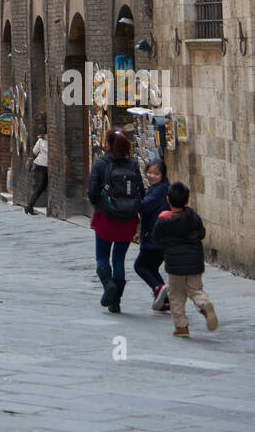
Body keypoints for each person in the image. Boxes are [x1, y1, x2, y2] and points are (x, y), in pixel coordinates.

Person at [87, 128, 144, 314]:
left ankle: (108, 286)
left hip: (106, 217)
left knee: (102, 256)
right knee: (119, 259)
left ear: (109, 144)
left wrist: (100, 205)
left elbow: (92, 192)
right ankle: (116, 302)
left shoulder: (100, 164)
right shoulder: (133, 164)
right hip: (128, 219)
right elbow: (140, 192)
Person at [153, 182, 218, 337]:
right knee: (195, 289)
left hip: (175, 264)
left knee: (176, 295)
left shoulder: (163, 220)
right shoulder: (193, 216)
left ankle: (182, 326)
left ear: (168, 199)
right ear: (187, 201)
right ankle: (203, 303)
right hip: (195, 260)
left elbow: (157, 238)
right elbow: (201, 234)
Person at [134, 158, 171, 311]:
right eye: (149, 172)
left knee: (140, 266)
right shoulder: (161, 188)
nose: (151, 176)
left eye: (156, 173)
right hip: (160, 237)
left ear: (163, 175)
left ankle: (157, 288)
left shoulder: (159, 191)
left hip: (154, 237)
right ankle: (165, 301)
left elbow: (143, 206)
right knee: (152, 267)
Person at [24, 122, 48, 214]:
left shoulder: (40, 140)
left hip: (39, 164)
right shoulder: (52, 140)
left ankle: (29, 206)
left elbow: (34, 151)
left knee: (41, 186)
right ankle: (29, 206)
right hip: (46, 165)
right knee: (42, 186)